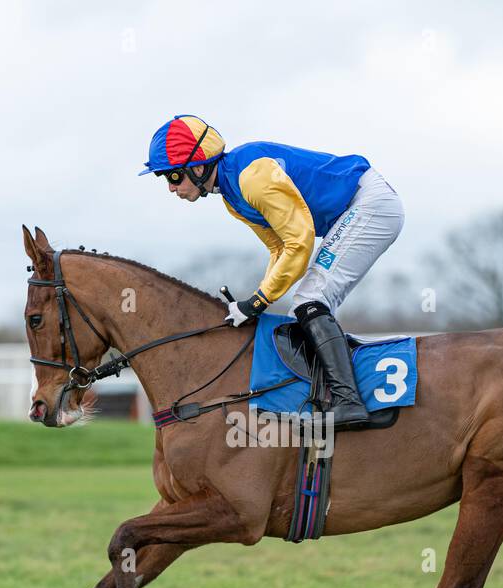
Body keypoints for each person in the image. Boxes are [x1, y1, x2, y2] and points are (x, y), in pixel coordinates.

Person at [140, 114, 405, 427]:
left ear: (197, 167)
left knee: (310, 300)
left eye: (173, 177)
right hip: (352, 210)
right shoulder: (231, 196)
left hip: (369, 205)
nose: (171, 188)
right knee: (305, 307)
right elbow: (279, 249)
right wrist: (255, 300)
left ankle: (348, 401)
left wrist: (257, 301)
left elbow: (299, 242)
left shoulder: (251, 178)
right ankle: (331, 395)